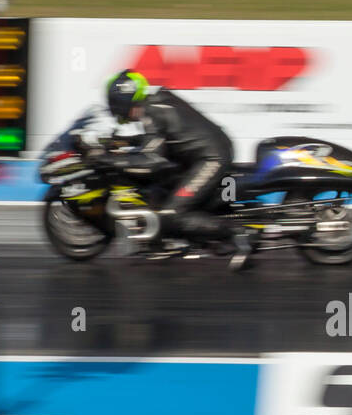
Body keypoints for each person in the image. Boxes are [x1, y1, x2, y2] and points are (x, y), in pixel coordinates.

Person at [84, 70, 254, 270]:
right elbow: (158, 140)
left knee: (172, 213)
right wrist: (123, 142)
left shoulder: (151, 112)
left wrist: (106, 159)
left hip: (211, 158)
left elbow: (150, 160)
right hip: (205, 154)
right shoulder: (154, 105)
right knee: (163, 190)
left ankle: (238, 234)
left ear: (121, 99)